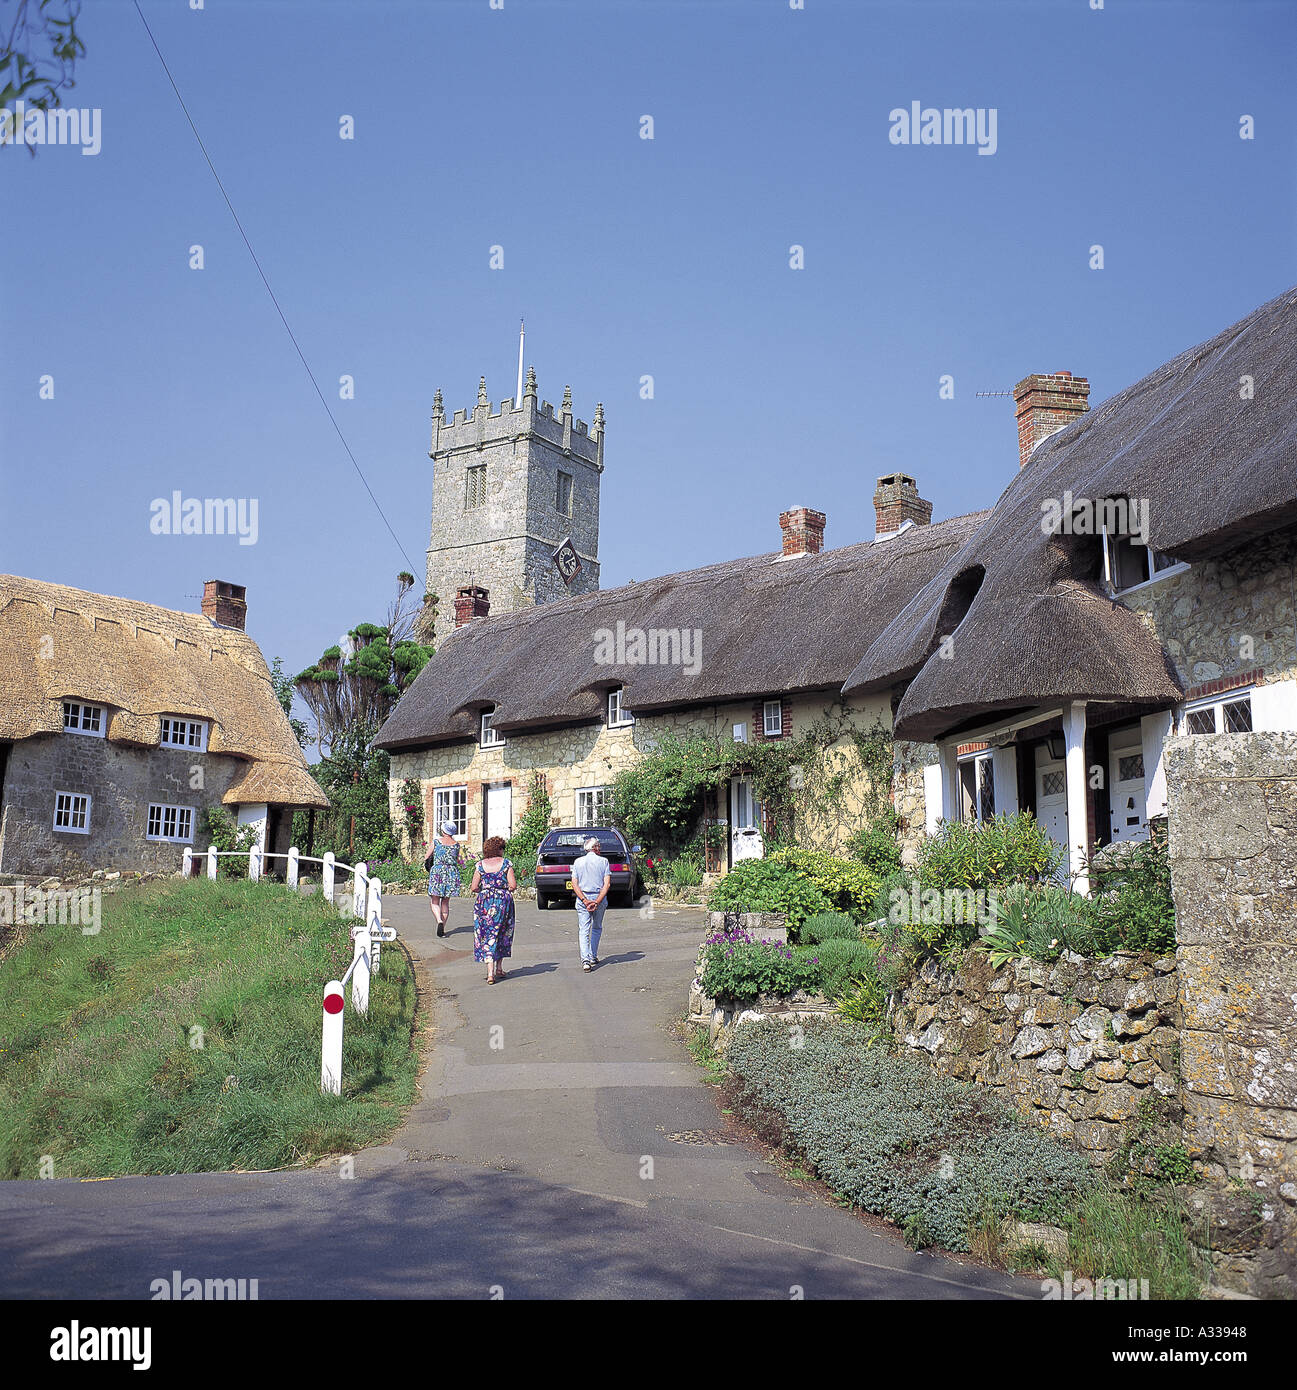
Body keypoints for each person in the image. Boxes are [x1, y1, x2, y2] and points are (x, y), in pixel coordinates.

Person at [470, 835, 516, 984]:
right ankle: (499, 968)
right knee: (502, 932)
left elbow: (474, 887)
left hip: (484, 902)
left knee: (487, 934)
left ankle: (489, 973)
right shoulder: (506, 864)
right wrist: (502, 889)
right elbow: (513, 885)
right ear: (500, 849)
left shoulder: (480, 865)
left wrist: (485, 891)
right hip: (502, 901)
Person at [571, 835, 611, 972]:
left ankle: (585, 960)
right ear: (594, 848)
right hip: (598, 897)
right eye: (598, 846)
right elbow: (607, 884)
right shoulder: (604, 861)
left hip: (583, 897)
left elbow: (574, 884)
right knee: (597, 927)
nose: (600, 848)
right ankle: (593, 955)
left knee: (584, 929)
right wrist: (597, 901)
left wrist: (584, 900)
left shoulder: (577, 862)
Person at [424, 820, 462, 938]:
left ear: (444, 830)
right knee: (445, 902)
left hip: (437, 872)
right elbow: (456, 859)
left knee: (434, 901)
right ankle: (443, 929)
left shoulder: (436, 842)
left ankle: (439, 921)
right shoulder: (456, 845)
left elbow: (427, 856)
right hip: (451, 873)